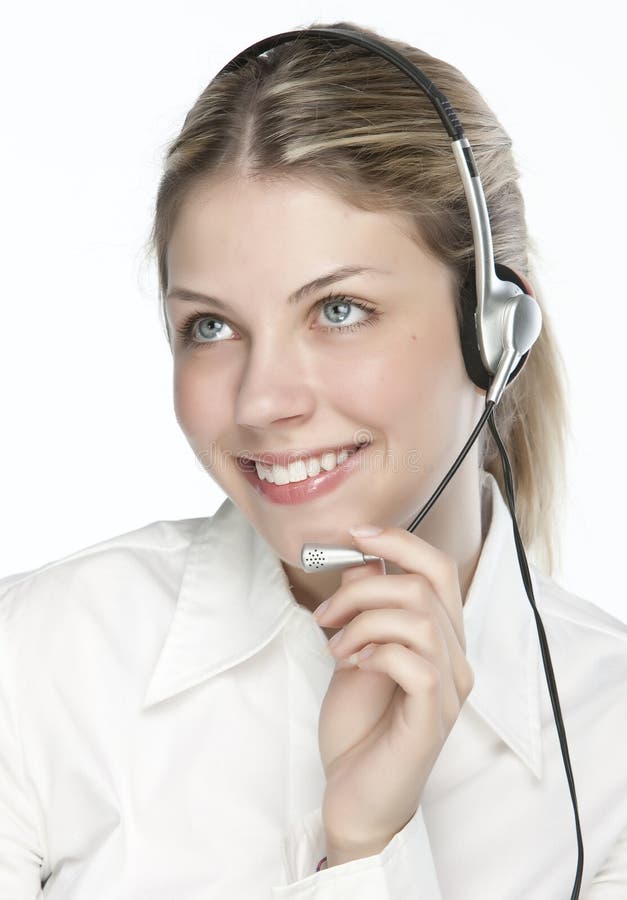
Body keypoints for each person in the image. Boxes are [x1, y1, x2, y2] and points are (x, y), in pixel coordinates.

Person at [1, 18, 626, 899]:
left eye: (337, 310)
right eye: (209, 327)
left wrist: (367, 843)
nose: (260, 401)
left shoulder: (610, 755)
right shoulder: (35, 664)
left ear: (493, 334)